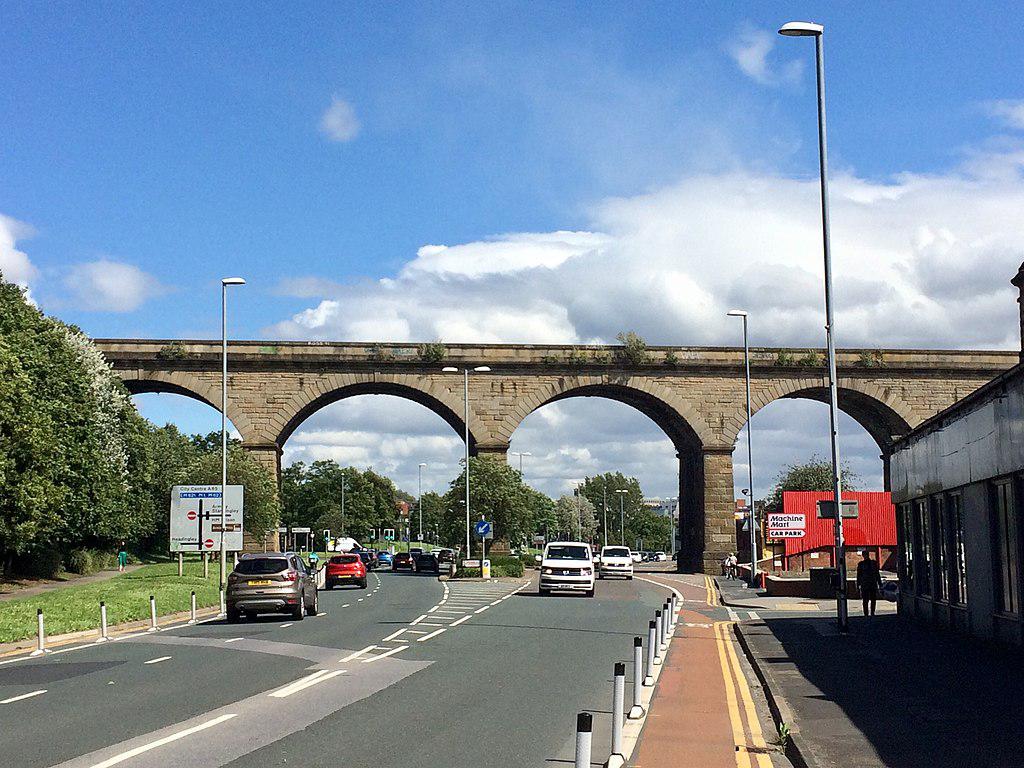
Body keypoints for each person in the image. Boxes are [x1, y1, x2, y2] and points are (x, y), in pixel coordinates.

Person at [856, 549, 882, 617]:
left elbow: (877, 574)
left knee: (870, 599)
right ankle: (868, 613)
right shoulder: (864, 564)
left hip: (869, 583)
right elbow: (859, 575)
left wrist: (879, 583)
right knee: (867, 600)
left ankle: (870, 613)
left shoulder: (870, 563)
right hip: (867, 584)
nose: (865, 556)